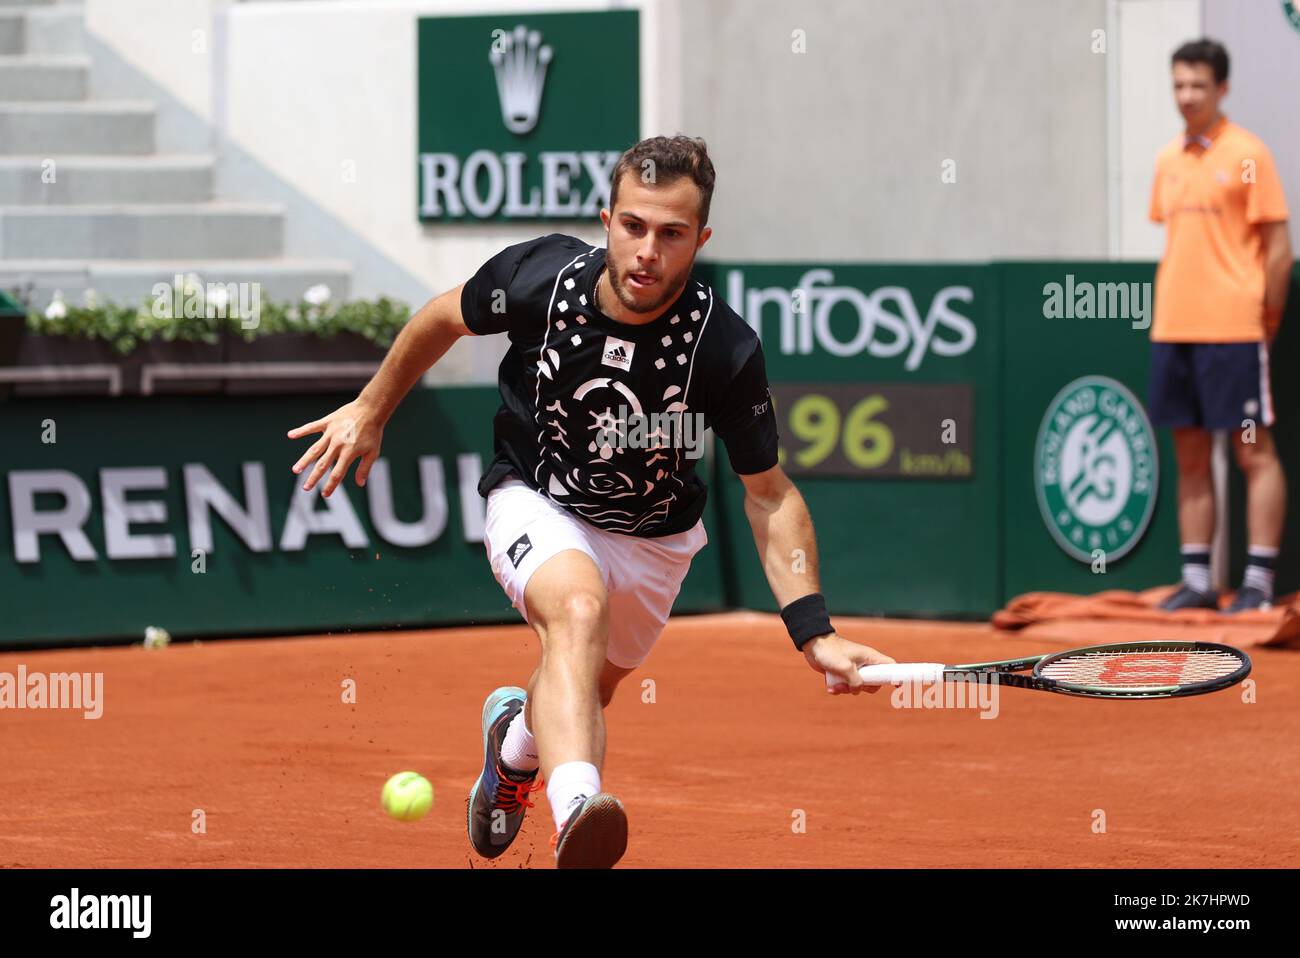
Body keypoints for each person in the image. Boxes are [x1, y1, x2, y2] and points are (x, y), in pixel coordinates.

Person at [287, 135, 894, 868]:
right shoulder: (541, 278)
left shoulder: (724, 350)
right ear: (605, 217)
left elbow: (769, 496)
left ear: (700, 240)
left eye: (672, 234)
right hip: (536, 496)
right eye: (633, 226)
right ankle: (578, 805)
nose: (647, 251)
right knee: (578, 611)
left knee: (580, 692)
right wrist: (372, 408)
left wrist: (814, 631)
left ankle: (512, 752)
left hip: (655, 542)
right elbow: (444, 315)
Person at [1148, 39, 1292, 612]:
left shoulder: (1249, 154)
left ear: (1222, 88)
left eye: (1198, 86)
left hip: (1233, 331)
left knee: (1252, 451)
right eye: (1179, 84)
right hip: (1174, 330)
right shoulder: (1167, 161)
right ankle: (1199, 580)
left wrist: (1266, 317)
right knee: (1188, 455)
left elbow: (1278, 250)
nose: (1187, 96)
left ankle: (1256, 580)